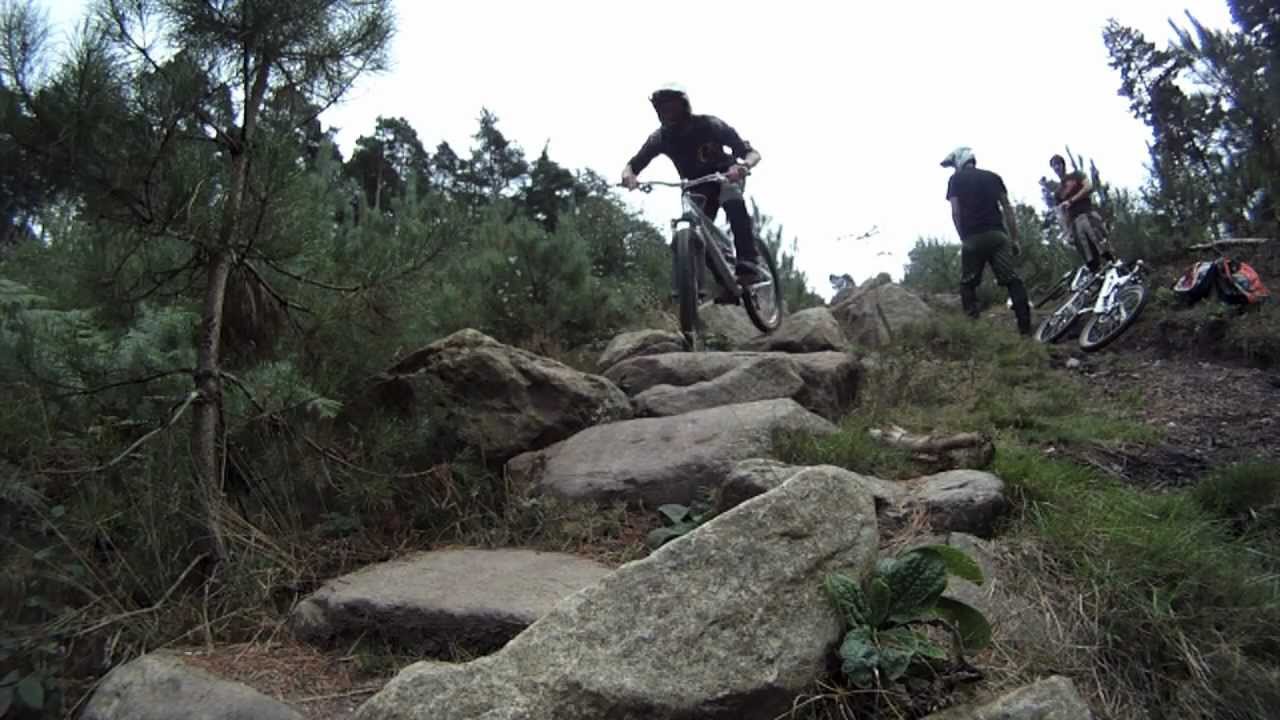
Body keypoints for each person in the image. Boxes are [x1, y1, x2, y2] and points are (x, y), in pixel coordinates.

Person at [621, 84, 765, 284]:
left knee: (731, 197)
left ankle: (748, 261)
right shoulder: (660, 138)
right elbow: (632, 165)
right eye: (663, 109)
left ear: (684, 106)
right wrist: (629, 177)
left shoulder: (709, 125)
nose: (668, 113)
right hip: (696, 185)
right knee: (695, 231)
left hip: (724, 175)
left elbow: (752, 153)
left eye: (672, 107)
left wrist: (743, 167)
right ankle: (725, 282)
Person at [940, 146, 1032, 335]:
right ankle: (1025, 330)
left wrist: (963, 237)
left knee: (968, 283)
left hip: (972, 238)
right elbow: (1008, 208)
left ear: (959, 161)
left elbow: (955, 212)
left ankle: (973, 330)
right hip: (998, 236)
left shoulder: (955, 180)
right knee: (1012, 281)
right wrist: (1014, 239)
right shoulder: (993, 177)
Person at [1049, 154, 1115, 271]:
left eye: (1058, 164)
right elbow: (1061, 214)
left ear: (1063, 165)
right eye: (1054, 166)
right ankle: (1099, 278)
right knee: (1089, 257)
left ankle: (1117, 271)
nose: (1057, 168)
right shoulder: (1058, 192)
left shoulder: (1076, 175)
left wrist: (1071, 200)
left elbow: (1088, 187)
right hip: (1075, 223)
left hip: (1088, 214)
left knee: (1102, 246)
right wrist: (1067, 233)